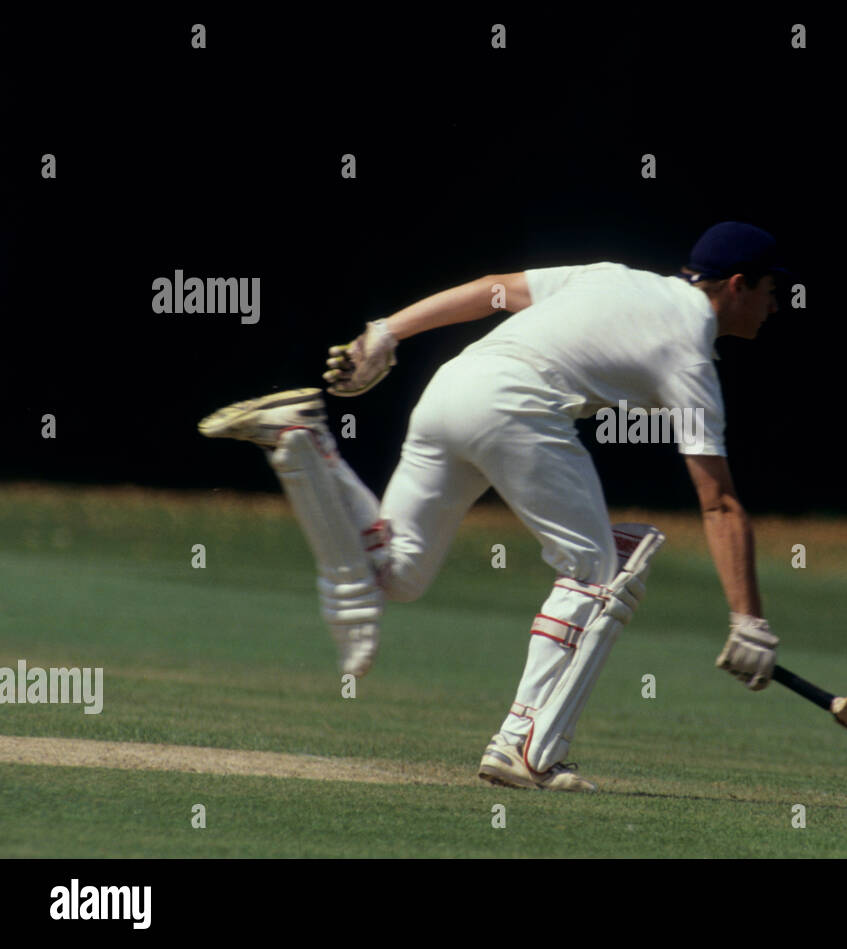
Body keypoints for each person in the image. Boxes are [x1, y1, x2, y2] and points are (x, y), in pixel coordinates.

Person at [198, 221, 785, 792]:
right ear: (738, 284)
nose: (775, 305)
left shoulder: (612, 276)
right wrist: (748, 621)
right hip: (516, 405)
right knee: (599, 571)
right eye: (769, 290)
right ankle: (524, 745)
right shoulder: (690, 356)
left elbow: (491, 291)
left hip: (452, 387)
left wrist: (385, 332)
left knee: (396, 572)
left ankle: (304, 444)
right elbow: (720, 503)